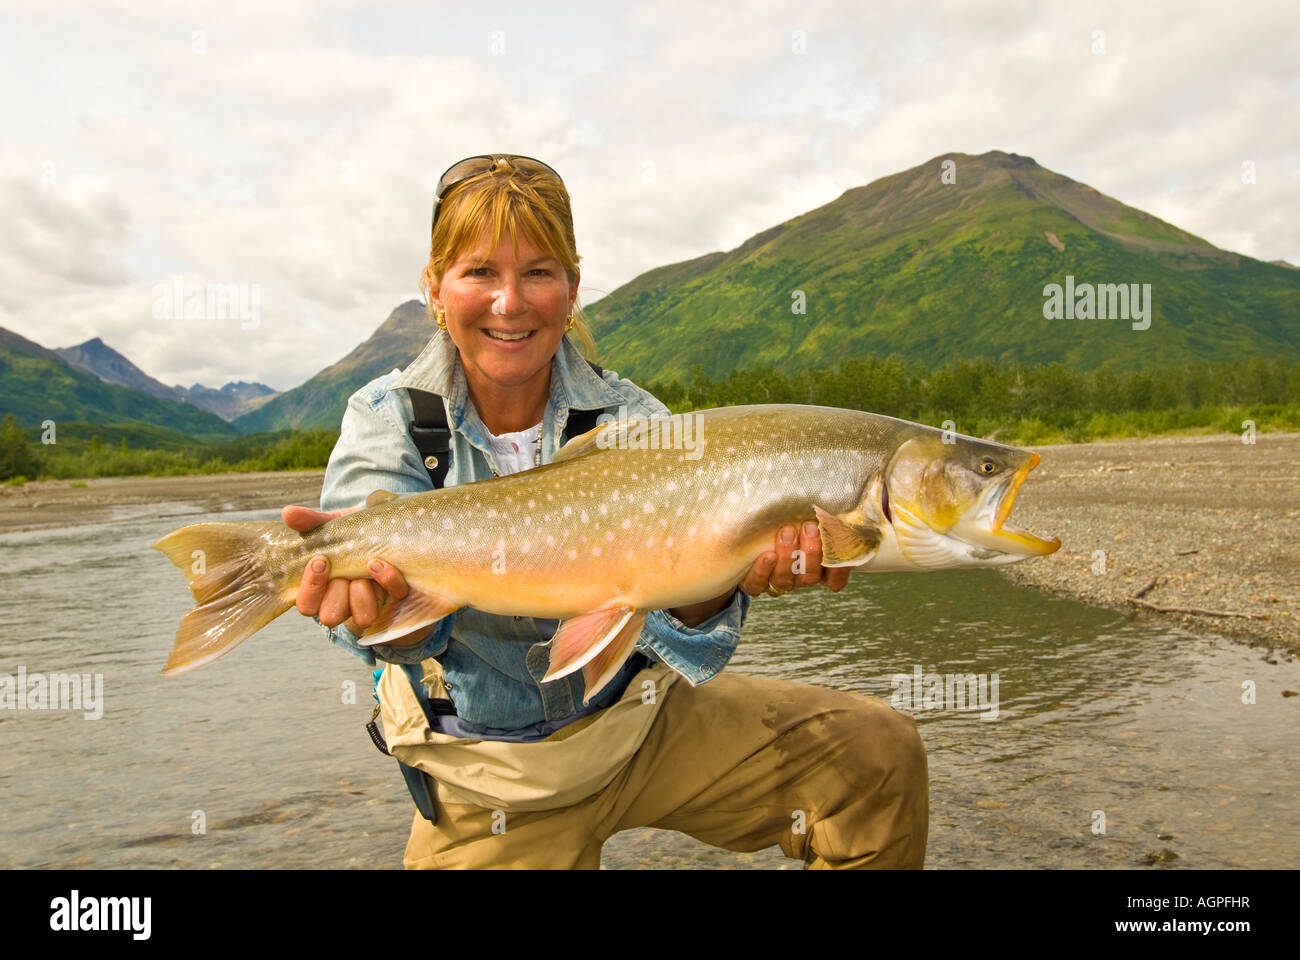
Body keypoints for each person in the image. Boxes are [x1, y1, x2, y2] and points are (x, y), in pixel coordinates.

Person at [283, 155, 928, 869]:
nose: (510, 302)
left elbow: (693, 643)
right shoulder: (387, 421)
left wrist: (720, 583)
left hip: (638, 725)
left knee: (875, 756)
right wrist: (374, 616)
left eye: (537, 272)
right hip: (491, 777)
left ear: (570, 290)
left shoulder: (634, 419)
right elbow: (370, 637)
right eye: (479, 273)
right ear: (435, 291)